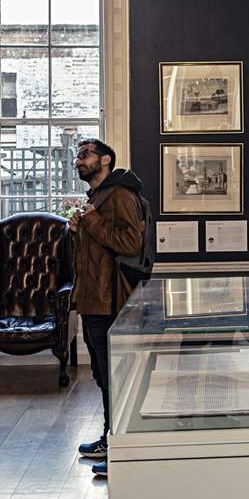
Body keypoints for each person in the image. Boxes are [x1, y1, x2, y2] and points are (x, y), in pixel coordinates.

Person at [70, 138, 145, 478]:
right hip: (93, 299)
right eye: (77, 155)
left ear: (106, 160)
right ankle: (110, 439)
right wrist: (78, 228)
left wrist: (93, 221)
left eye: (85, 154)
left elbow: (131, 243)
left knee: (116, 377)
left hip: (111, 301)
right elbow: (95, 251)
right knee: (103, 376)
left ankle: (122, 449)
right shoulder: (98, 199)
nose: (78, 160)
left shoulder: (120, 195)